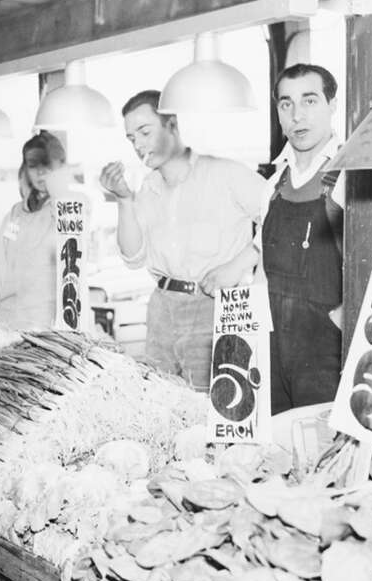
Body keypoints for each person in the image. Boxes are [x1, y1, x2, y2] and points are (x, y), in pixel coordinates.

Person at [100, 90, 265, 388]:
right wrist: (124, 200)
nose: (137, 144)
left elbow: (283, 215)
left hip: (213, 306)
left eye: (144, 132)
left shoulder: (224, 173)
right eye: (131, 138)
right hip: (161, 307)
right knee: (161, 405)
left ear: (172, 125)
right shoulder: (148, 189)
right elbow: (133, 257)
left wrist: (241, 263)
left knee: (210, 406)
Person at [258, 63, 344, 414]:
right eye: (286, 104)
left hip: (326, 353)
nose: (297, 116)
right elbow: (259, 272)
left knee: (322, 458)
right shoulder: (272, 186)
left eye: (309, 101)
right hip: (274, 349)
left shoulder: (348, 179)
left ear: (332, 106)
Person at [0, 131, 75, 330]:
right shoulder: (15, 215)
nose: (40, 172)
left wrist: (58, 190)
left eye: (47, 164)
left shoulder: (72, 207)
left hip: (49, 326)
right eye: (33, 165)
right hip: (9, 322)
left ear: (60, 166)